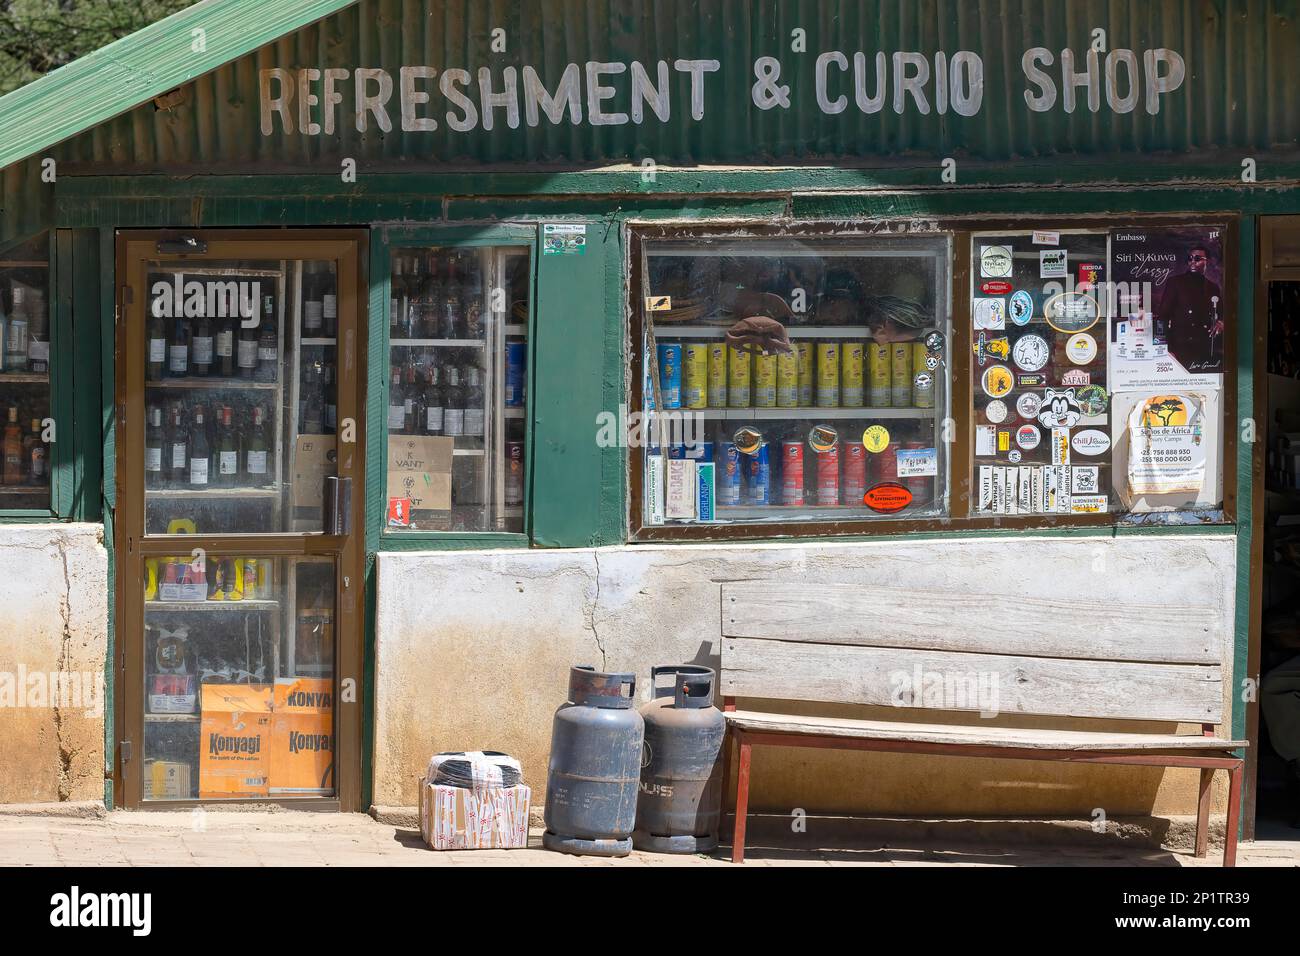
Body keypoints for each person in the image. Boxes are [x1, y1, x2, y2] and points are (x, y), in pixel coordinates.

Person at [1156, 246, 1224, 373]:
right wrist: (1163, 348)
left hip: (1205, 346)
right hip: (1180, 346)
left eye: (1197, 258)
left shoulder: (1213, 287)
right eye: (1190, 258)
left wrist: (1221, 323)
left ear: (1207, 261)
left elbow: (1222, 313)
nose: (1192, 261)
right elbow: (1162, 317)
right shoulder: (1175, 282)